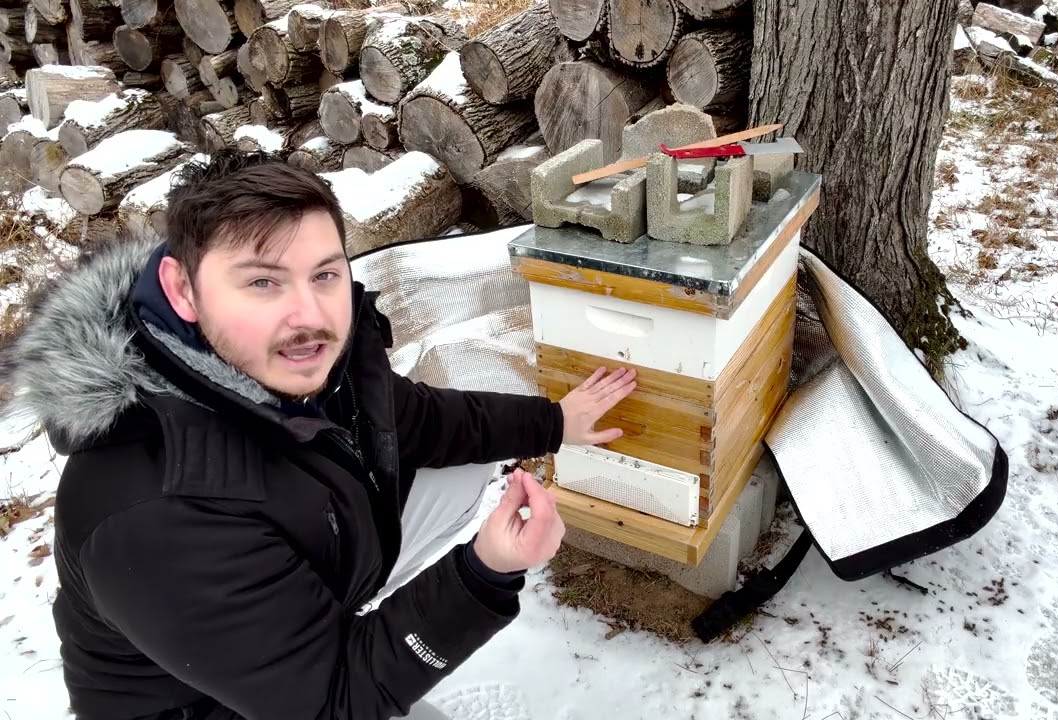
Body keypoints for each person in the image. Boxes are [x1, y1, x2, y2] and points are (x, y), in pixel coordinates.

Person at [0, 149, 637, 719]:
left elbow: (418, 420)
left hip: (268, 612)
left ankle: (307, 622)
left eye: (325, 274)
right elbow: (335, 702)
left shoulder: (294, 364)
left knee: (463, 467)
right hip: (205, 707)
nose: (309, 317)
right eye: (262, 281)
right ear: (182, 289)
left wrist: (556, 423)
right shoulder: (154, 508)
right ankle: (306, 632)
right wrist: (485, 573)